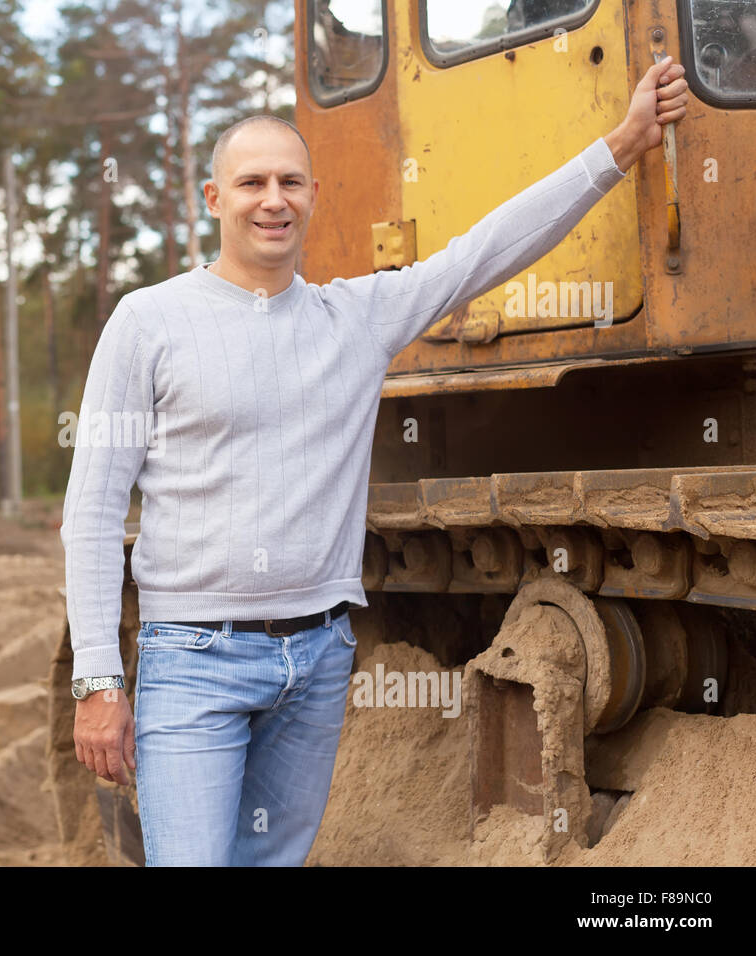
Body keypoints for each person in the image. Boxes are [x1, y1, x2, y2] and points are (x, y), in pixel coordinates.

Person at [61, 58, 690, 866]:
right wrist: (97, 681)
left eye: (290, 181)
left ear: (313, 196)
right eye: (251, 183)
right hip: (192, 662)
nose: (273, 199)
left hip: (318, 660)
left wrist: (626, 142)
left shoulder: (355, 318)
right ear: (214, 200)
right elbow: (91, 511)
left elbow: (488, 249)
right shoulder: (147, 323)